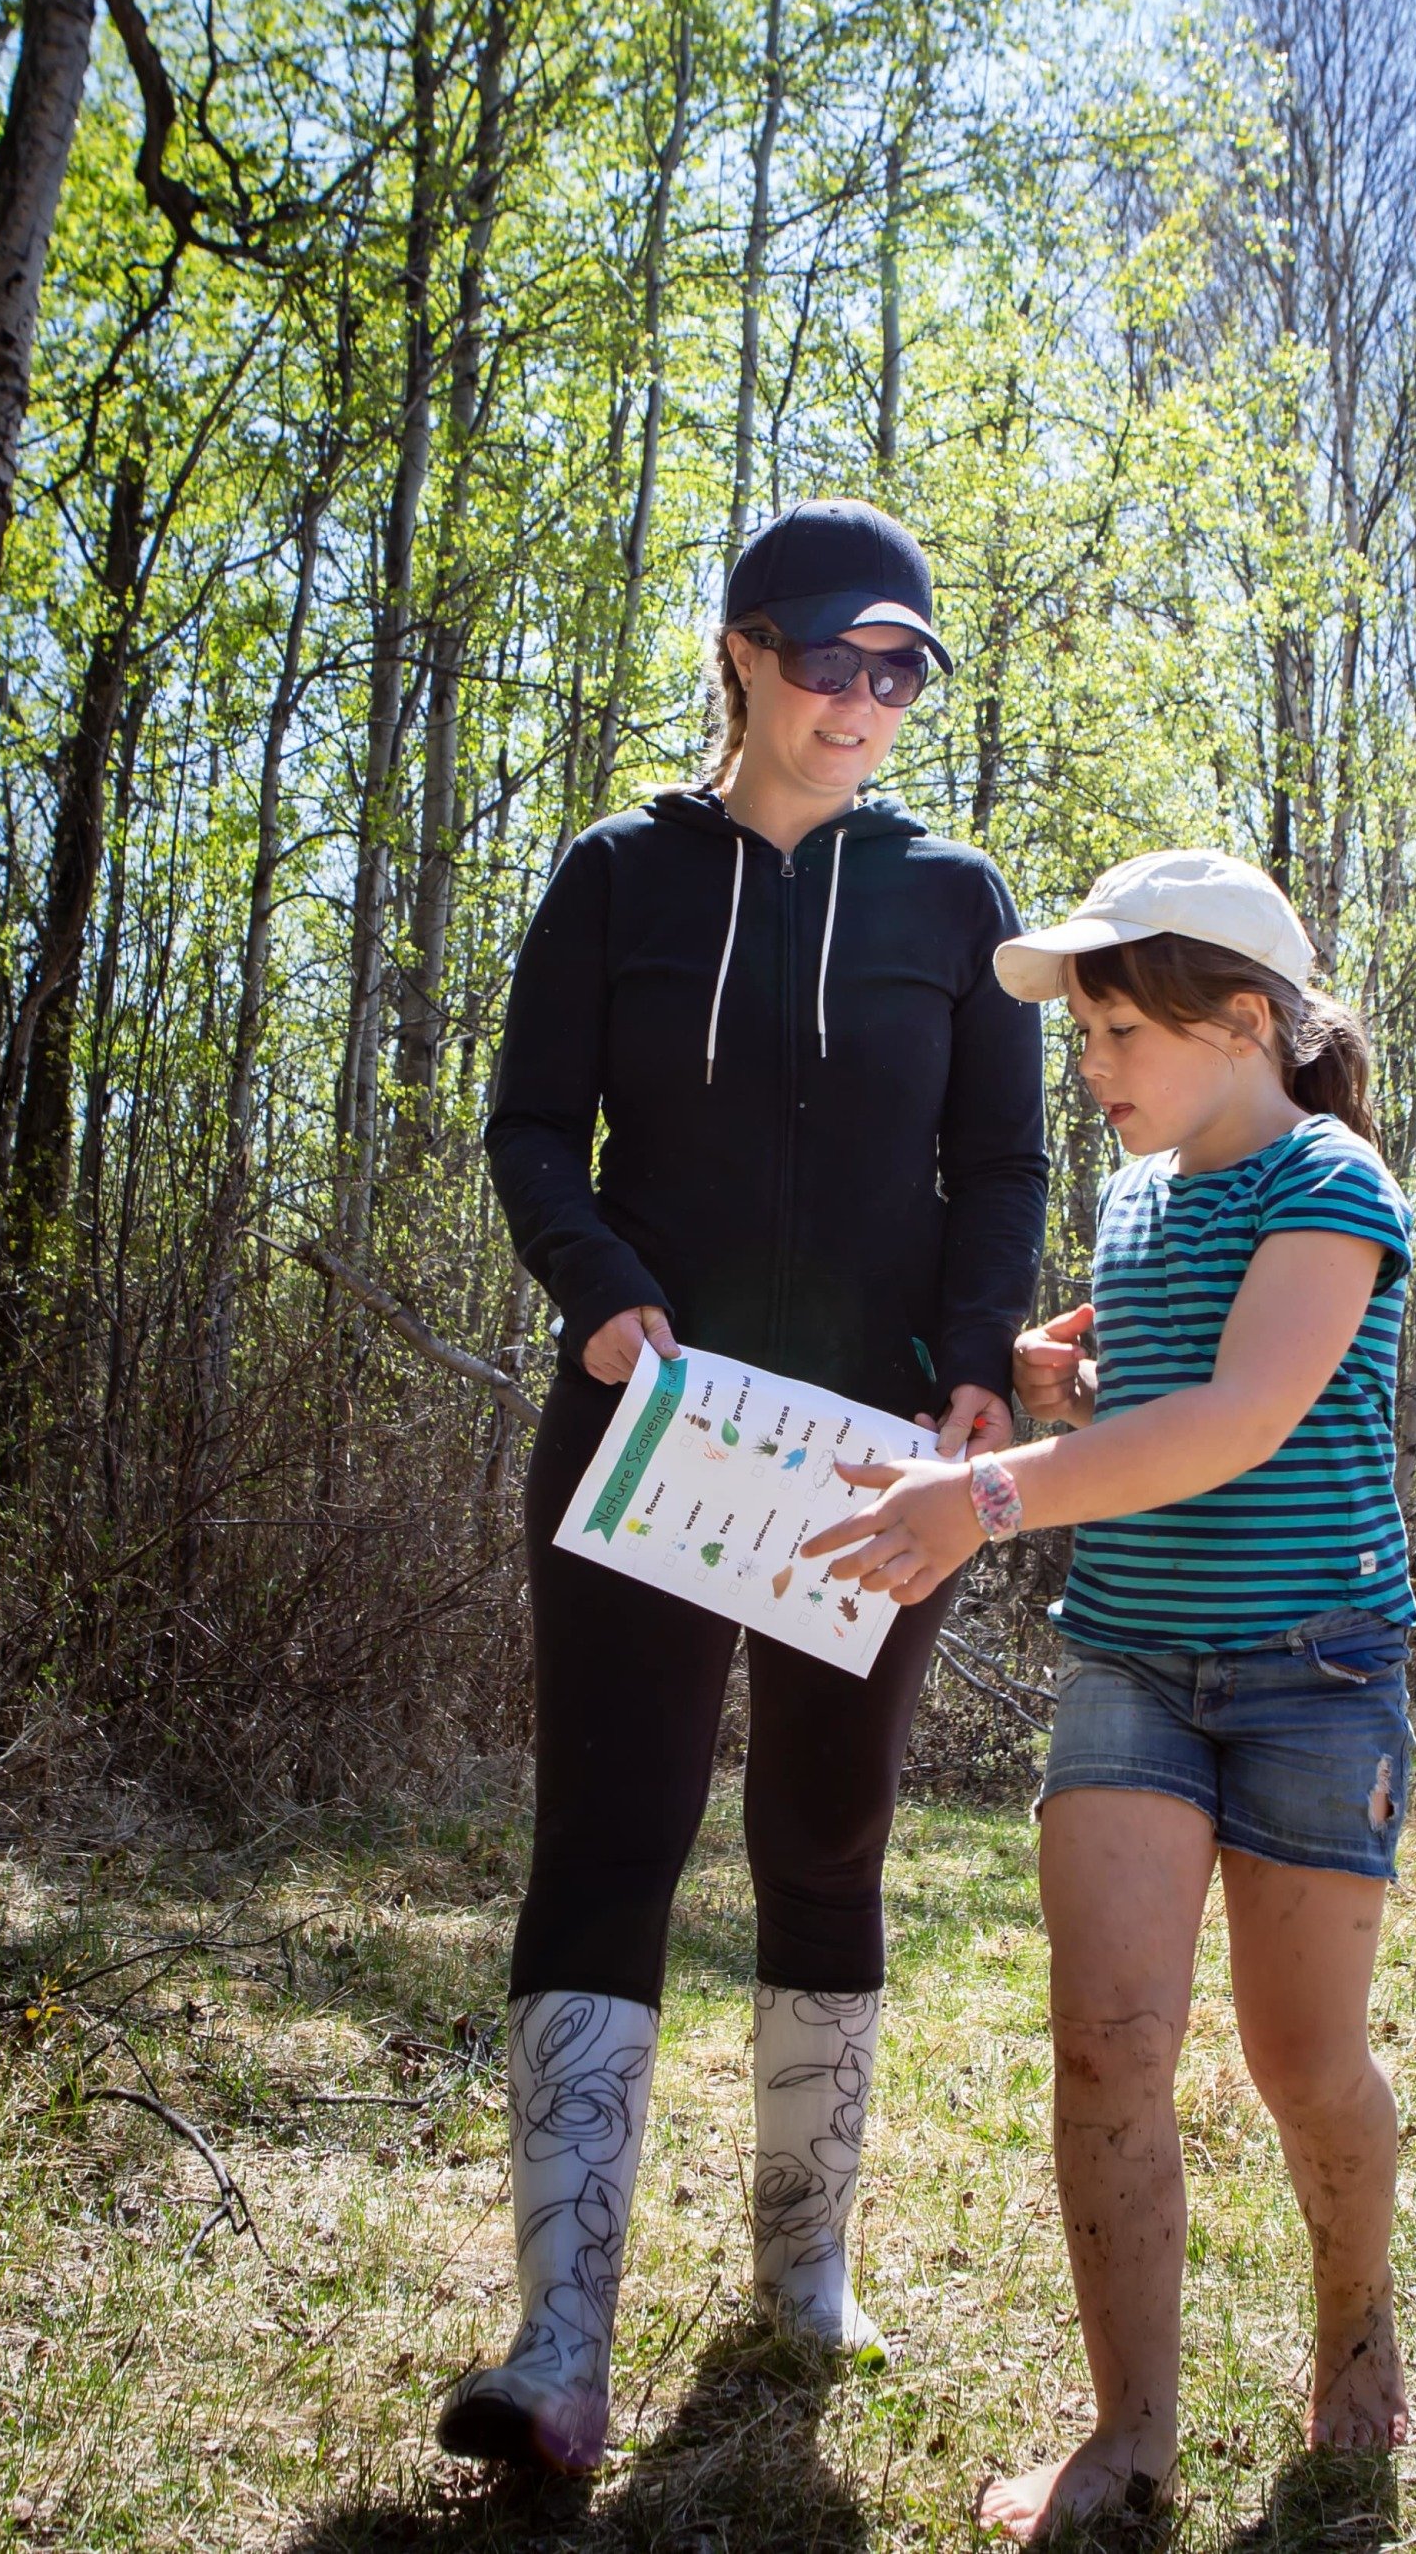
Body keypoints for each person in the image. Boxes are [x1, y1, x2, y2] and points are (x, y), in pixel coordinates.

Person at [438, 500, 1047, 2476]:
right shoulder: (618, 875)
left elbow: (1006, 1170)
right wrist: (604, 1302)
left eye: (901, 671)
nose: (866, 702)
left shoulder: (952, 901)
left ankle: (804, 2279)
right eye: (833, 661)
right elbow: (531, 1128)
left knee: (826, 1834)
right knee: (607, 1837)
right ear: (743, 652)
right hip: (644, 1439)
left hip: (867, 1457)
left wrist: (971, 1353)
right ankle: (560, 2341)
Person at [802, 846, 1416, 2534]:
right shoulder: (1141, 1193)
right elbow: (1157, 1368)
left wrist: (991, 1497)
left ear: (1236, 1024)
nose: (1088, 1077)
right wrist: (1053, 1365)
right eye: (1081, 1042)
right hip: (1130, 1661)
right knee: (1106, 2051)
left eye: (1111, 1038)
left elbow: (1235, 1419)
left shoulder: (1334, 1181)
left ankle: (1356, 2321)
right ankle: (1130, 2432)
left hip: (1317, 1670)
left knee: (1304, 2065)